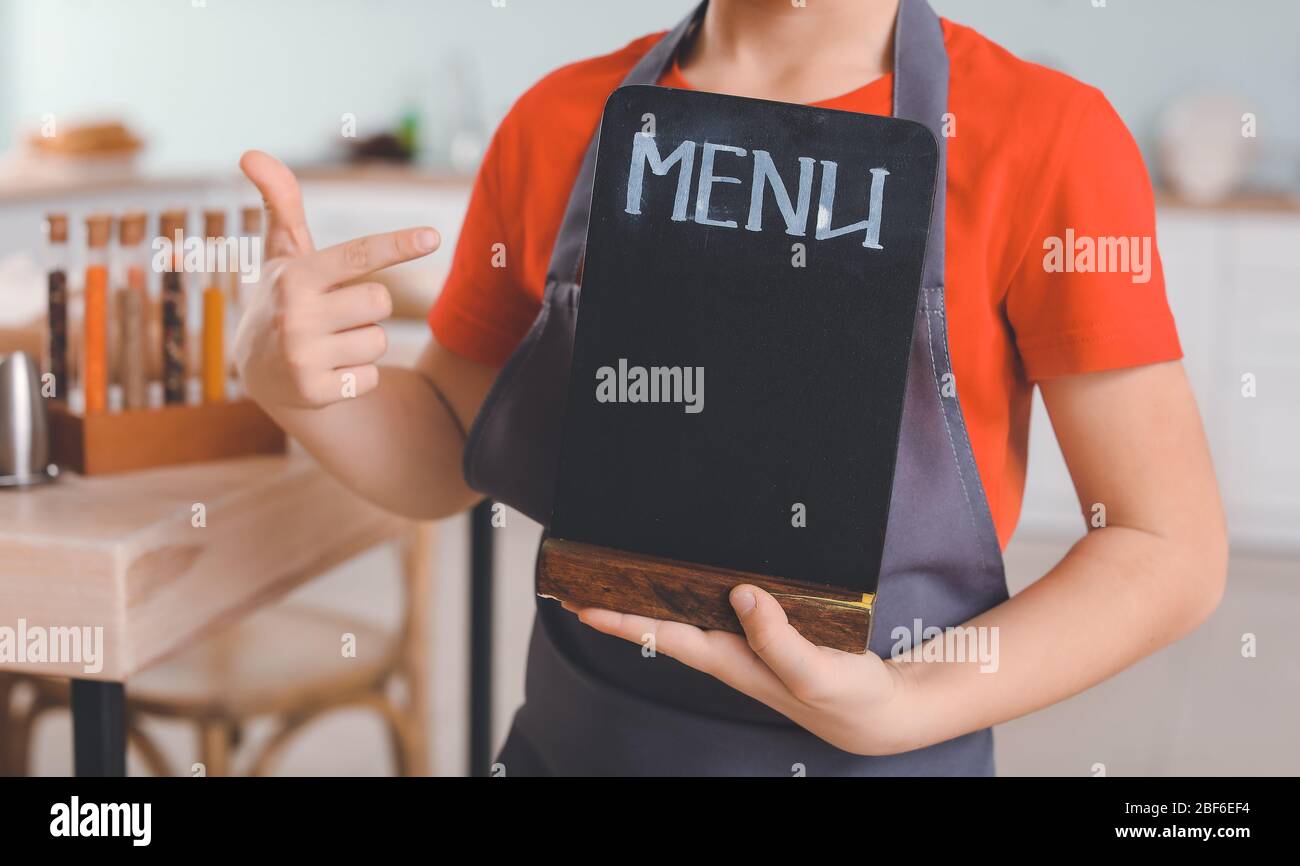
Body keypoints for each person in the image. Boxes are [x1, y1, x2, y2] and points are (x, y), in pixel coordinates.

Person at [235, 0, 1226, 775]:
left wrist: (904, 702)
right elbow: (443, 449)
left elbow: (1163, 543)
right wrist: (291, 382)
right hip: (575, 751)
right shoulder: (558, 121)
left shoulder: (1048, 139)